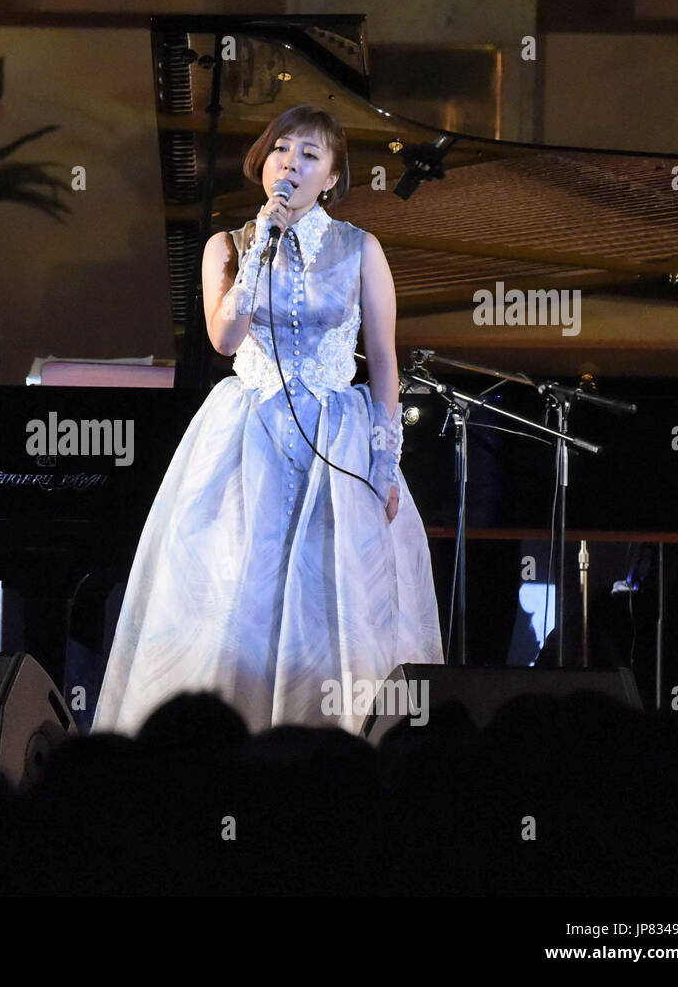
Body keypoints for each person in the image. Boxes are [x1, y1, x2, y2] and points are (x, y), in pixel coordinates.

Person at [93, 105, 443, 736]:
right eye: (283, 149)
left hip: (337, 437)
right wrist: (259, 250)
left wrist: (386, 458)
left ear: (333, 177)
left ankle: (327, 747)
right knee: (234, 596)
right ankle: (224, 742)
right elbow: (224, 339)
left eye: (311, 154)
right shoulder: (226, 246)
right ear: (264, 162)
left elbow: (387, 361)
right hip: (246, 433)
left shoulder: (360, 248)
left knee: (329, 603)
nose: (292, 163)